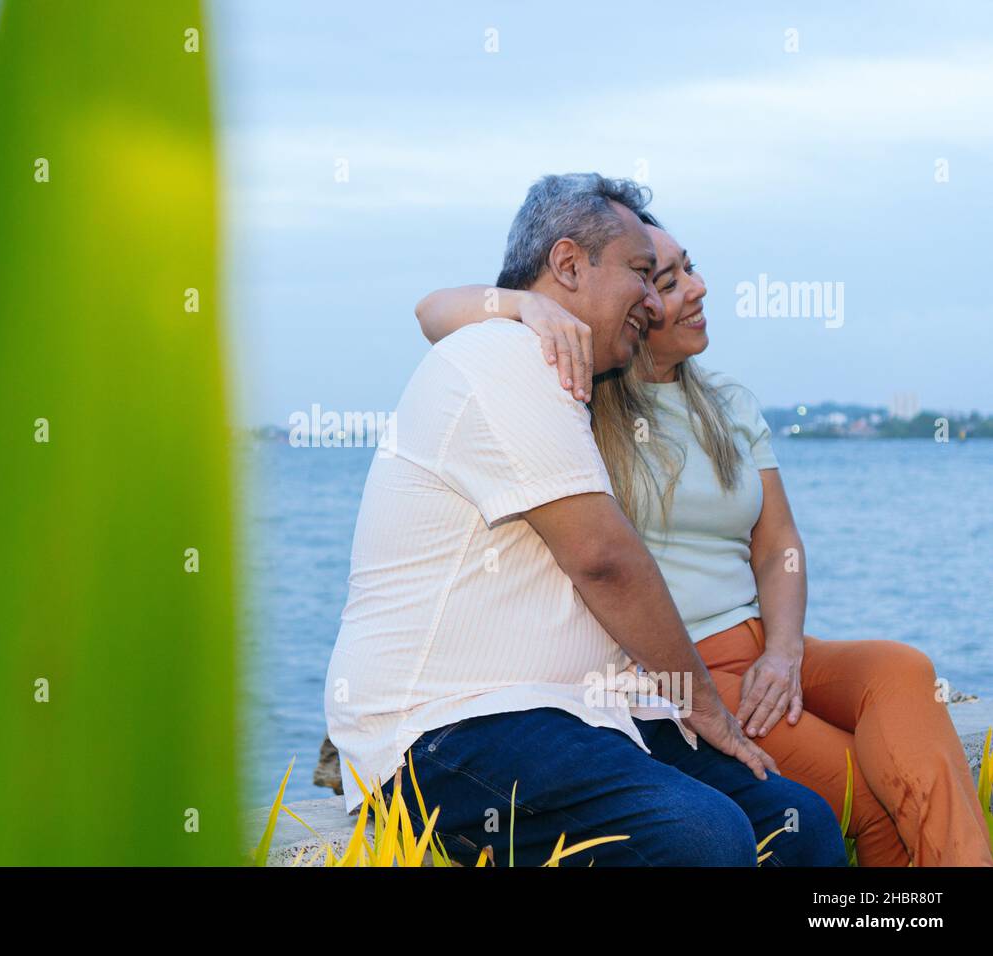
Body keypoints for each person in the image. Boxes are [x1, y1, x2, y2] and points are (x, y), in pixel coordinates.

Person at [414, 206, 993, 866]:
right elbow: (433, 312)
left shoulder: (728, 401)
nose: (696, 287)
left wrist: (781, 652)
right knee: (865, 795)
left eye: (690, 267)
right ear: (629, 307)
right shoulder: (580, 395)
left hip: (766, 652)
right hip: (683, 671)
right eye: (663, 278)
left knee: (902, 667)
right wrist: (524, 307)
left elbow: (779, 545)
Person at [323, 173, 846, 866]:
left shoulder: (575, 384)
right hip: (445, 730)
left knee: (796, 823)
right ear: (568, 265)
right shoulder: (499, 356)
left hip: (582, 713)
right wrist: (707, 709)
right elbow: (605, 559)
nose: (655, 300)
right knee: (700, 836)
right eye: (640, 273)